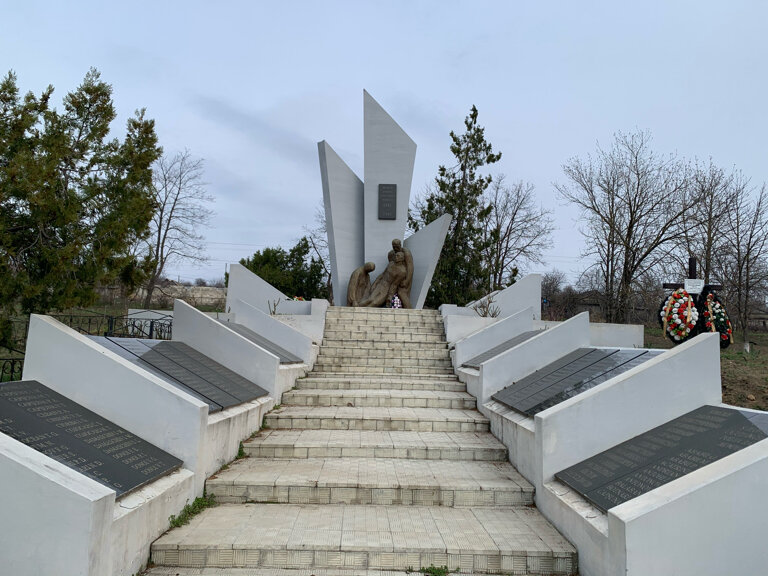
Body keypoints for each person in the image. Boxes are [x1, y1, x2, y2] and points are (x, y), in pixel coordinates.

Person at [387, 238, 413, 308]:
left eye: (397, 246)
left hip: (404, 277)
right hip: (394, 277)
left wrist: (407, 281)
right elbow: (391, 266)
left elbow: (410, 267)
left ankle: (410, 312)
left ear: (400, 245)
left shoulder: (406, 252)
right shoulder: (391, 254)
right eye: (394, 246)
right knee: (390, 293)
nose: (395, 248)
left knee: (402, 293)